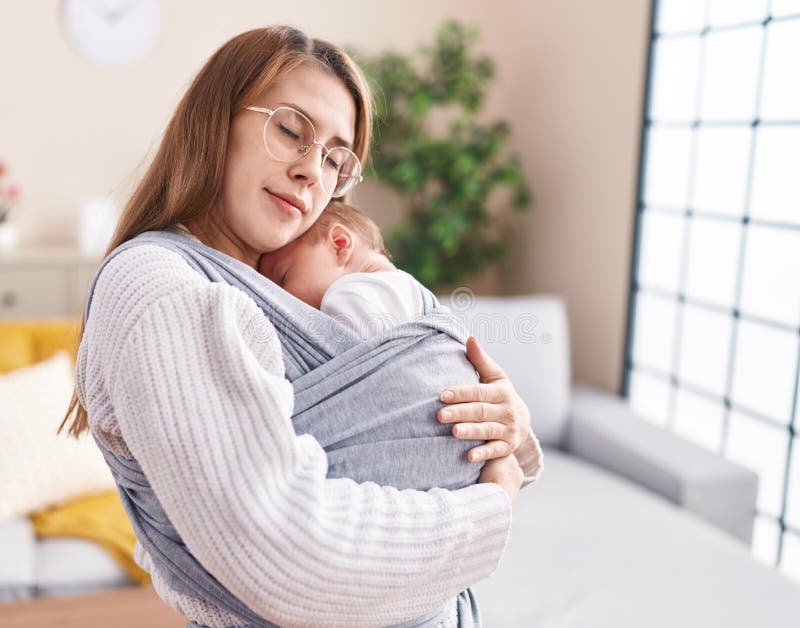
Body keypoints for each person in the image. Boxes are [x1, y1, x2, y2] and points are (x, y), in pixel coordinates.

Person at [59, 26, 543, 627]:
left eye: (337, 159)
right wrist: (493, 505)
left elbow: (404, 382)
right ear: (216, 120)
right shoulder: (164, 289)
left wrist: (508, 427)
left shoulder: (294, 287)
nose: (313, 172)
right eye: (292, 131)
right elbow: (286, 553)